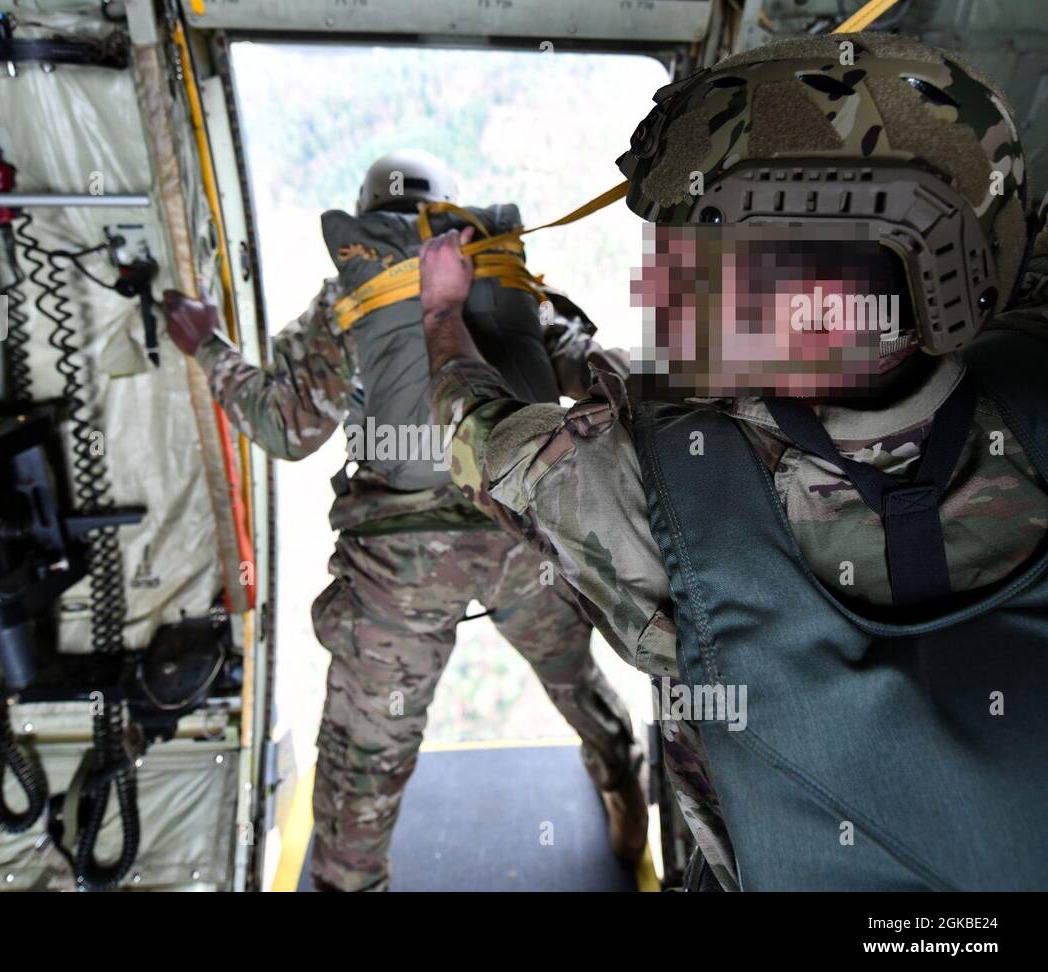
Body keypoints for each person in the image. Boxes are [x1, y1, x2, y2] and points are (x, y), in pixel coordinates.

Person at [419, 33, 1048, 890]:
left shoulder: (654, 493)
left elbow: (477, 437)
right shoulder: (1031, 375)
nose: (666, 294)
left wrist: (441, 313)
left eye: (706, 262)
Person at [163, 149, 645, 892]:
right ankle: (624, 797)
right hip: (521, 528)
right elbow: (577, 372)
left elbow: (288, 428)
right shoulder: (500, 280)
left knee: (366, 756)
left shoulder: (347, 302)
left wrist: (209, 347)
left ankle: (351, 880)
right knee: (575, 680)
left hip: (400, 564)